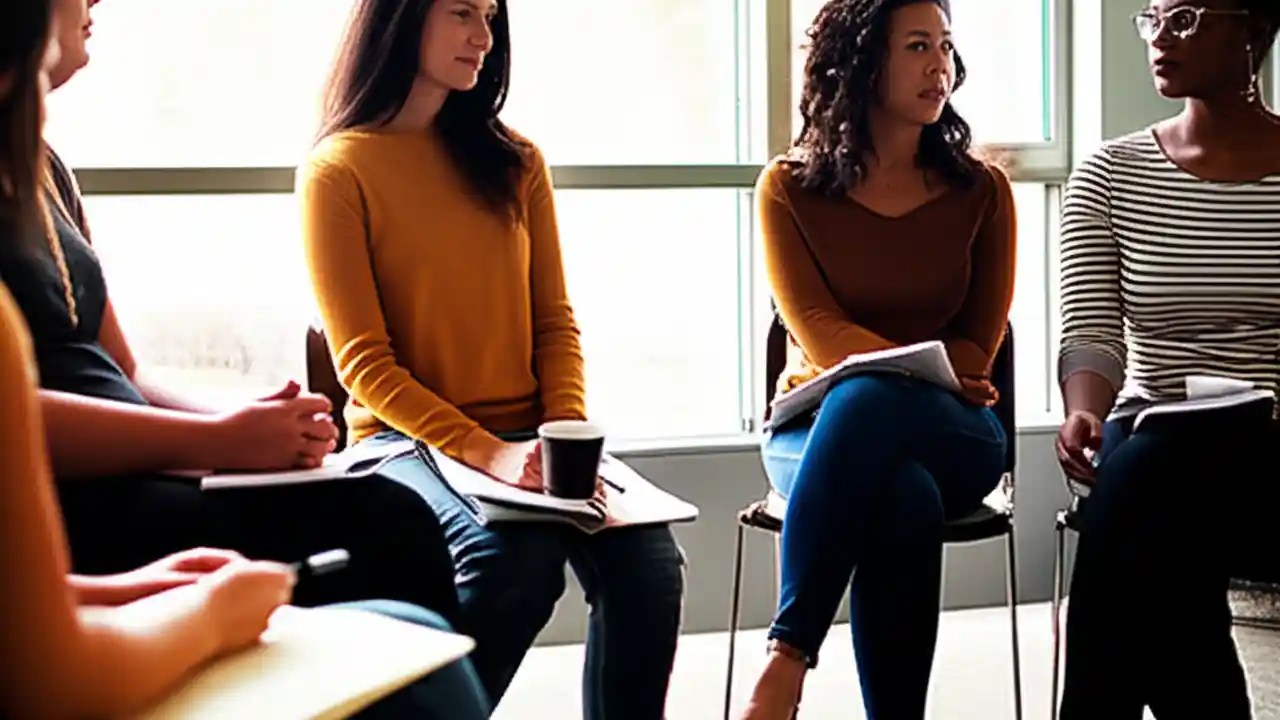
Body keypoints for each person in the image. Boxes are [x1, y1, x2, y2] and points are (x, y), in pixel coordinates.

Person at [0, 5, 488, 719]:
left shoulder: (43, 170)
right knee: (387, 527)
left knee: (396, 539)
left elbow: (127, 376)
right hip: (78, 497)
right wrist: (215, 446)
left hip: (145, 465)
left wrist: (251, 429)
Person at [298, 0, 687, 715]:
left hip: (529, 444)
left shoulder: (516, 162)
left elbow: (554, 323)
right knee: (515, 564)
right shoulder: (338, 171)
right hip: (404, 442)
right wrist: (488, 452)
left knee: (650, 567)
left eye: (490, 17)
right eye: (461, 14)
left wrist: (563, 438)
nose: (483, 37)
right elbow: (365, 368)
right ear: (401, 20)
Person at [740, 1, 1016, 717]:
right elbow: (820, 332)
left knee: (867, 398)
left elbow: (977, 347)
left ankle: (787, 655)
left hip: (955, 425)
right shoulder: (787, 189)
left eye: (947, 47)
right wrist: (916, 368)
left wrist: (909, 378)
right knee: (901, 495)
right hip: (812, 432)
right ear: (863, 61)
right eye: (918, 46)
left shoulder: (982, 191)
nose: (940, 66)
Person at [1055, 1, 1280, 717]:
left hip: (1272, 445)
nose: (1160, 37)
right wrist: (1084, 409)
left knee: (1141, 523)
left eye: (1186, 17)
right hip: (1151, 427)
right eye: (1151, 17)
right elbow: (1091, 329)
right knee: (1153, 490)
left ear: (1252, 28)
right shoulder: (1109, 174)